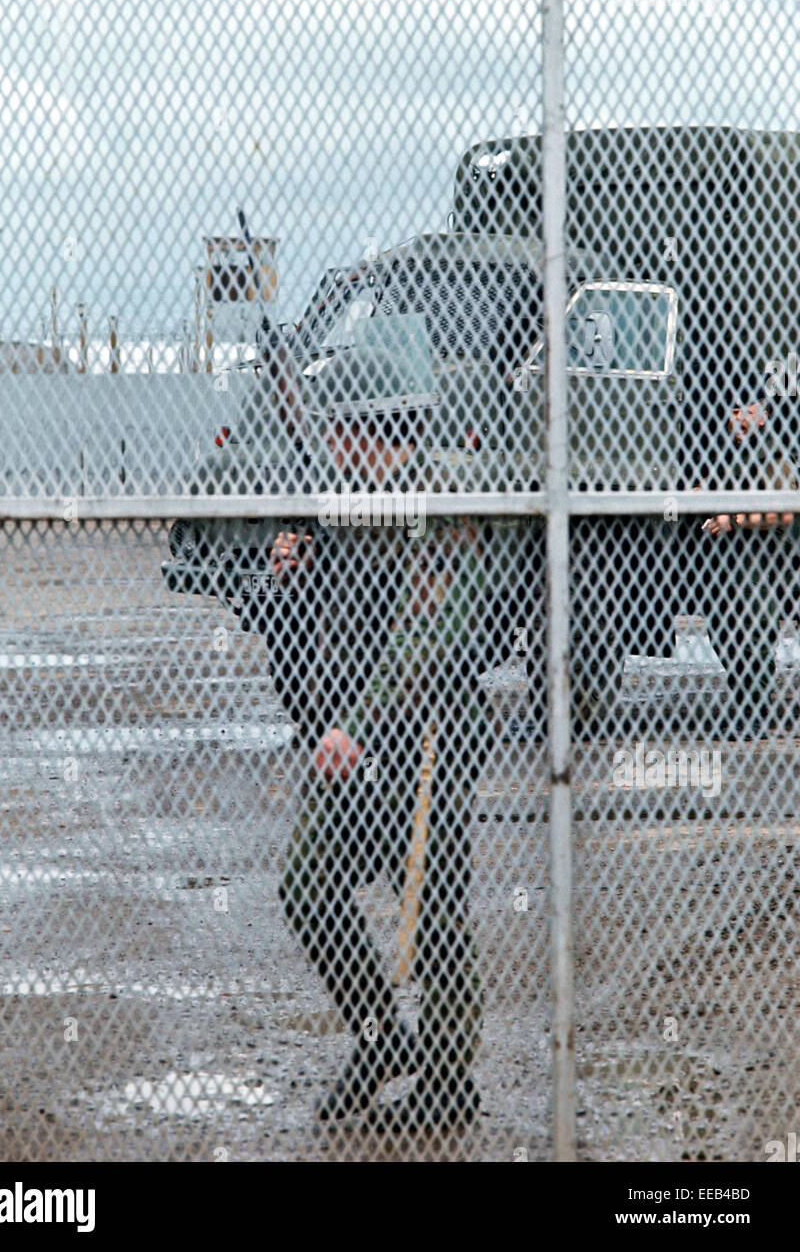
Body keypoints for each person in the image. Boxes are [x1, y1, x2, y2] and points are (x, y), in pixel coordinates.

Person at [258, 316, 517, 1134]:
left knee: (433, 904)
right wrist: (288, 571)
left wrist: (359, 726)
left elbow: (426, 635)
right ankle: (379, 1040)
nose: (330, 438)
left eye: (340, 425)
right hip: (350, 741)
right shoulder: (347, 500)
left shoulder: (438, 499)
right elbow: (327, 626)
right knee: (306, 886)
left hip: (429, 732)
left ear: (372, 426)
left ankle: (447, 1076)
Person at [694, 395, 797, 738]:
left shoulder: (774, 455)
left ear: (764, 418)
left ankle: (753, 713)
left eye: (747, 411)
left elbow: (781, 512)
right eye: (733, 409)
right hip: (730, 565)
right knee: (726, 631)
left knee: (751, 634)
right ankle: (745, 705)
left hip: (761, 563)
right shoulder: (730, 454)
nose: (737, 417)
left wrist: (733, 519)